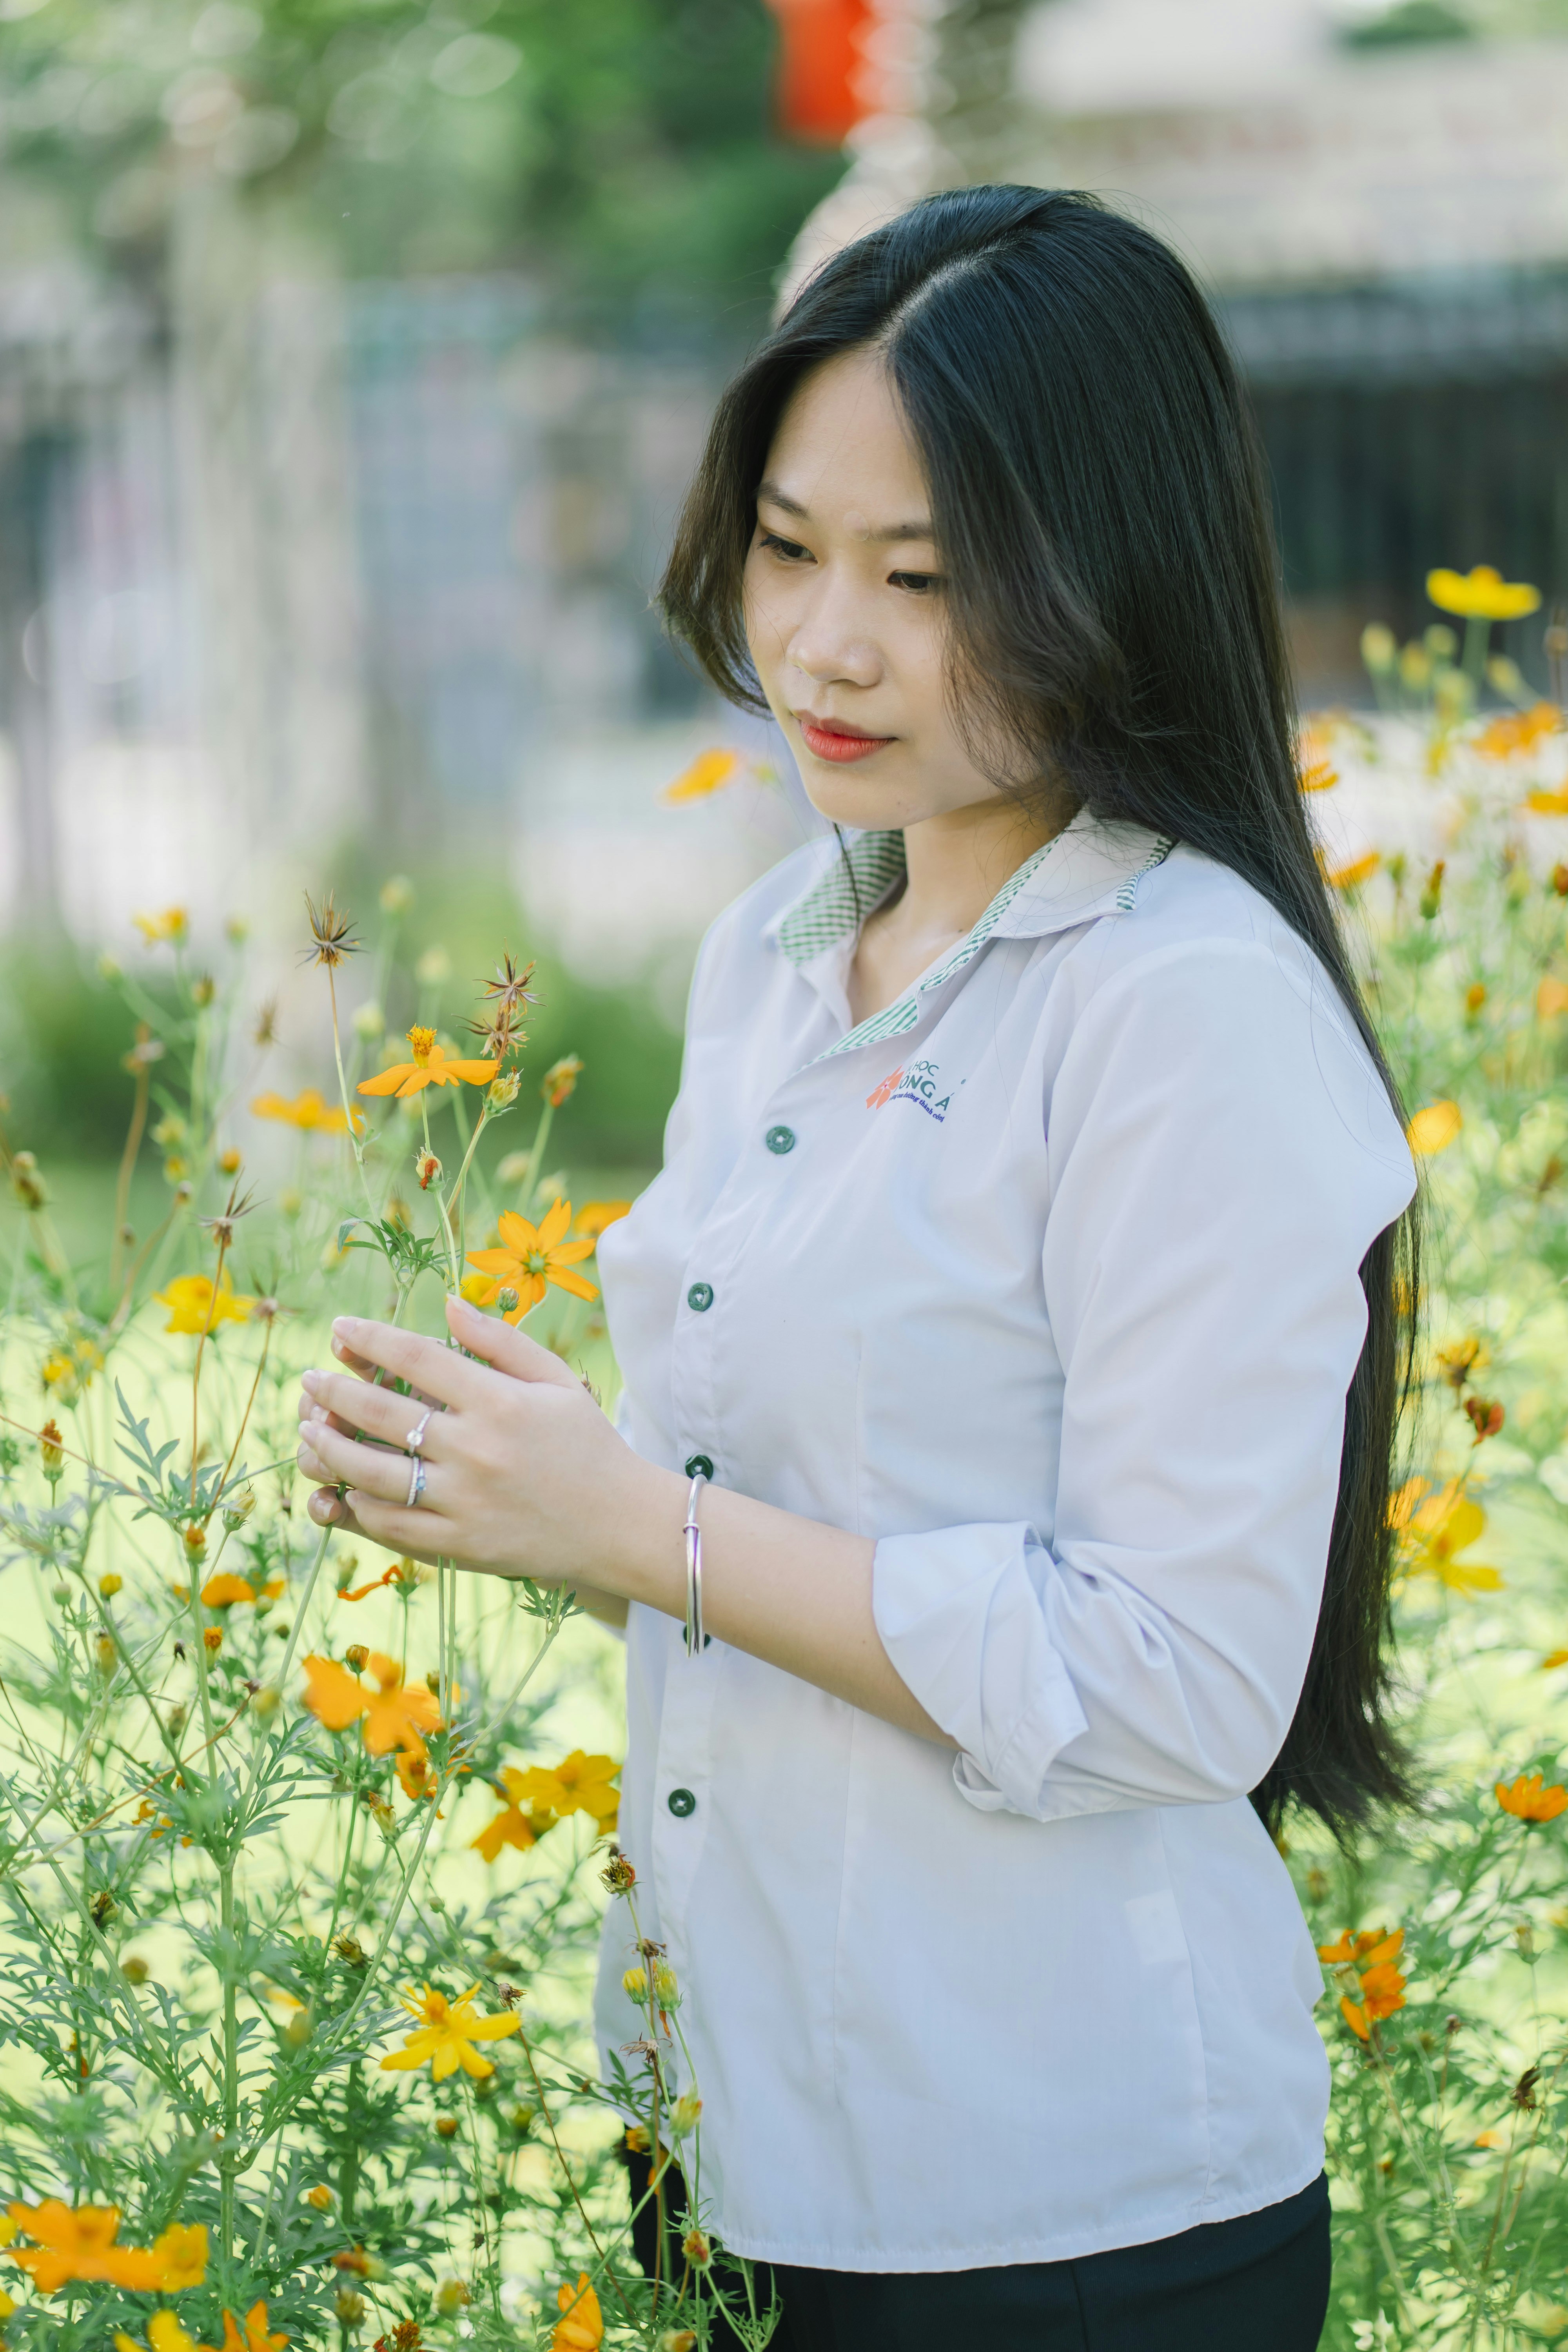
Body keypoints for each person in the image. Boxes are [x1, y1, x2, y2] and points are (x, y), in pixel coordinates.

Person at [296, 186, 1418, 2351]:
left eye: (926, 580)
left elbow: (1180, 1674)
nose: (825, 642)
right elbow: (810, 1508)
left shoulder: (1180, 1002)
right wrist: (534, 1498)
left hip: (1055, 2210)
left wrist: (648, 1525)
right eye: (792, 547)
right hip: (733, 2147)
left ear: (1122, 575)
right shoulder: (781, 956)